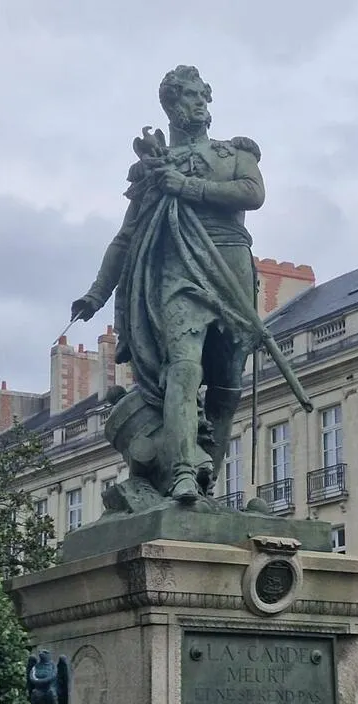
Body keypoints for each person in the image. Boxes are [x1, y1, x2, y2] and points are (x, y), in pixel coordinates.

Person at [71, 65, 265, 502]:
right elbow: (126, 237)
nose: (200, 103)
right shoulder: (153, 171)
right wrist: (97, 292)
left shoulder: (234, 154)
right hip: (177, 269)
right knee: (184, 367)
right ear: (171, 107)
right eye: (190, 97)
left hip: (231, 265)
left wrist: (188, 187)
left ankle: (205, 481)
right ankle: (181, 472)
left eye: (203, 96)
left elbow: (252, 194)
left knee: (227, 385)